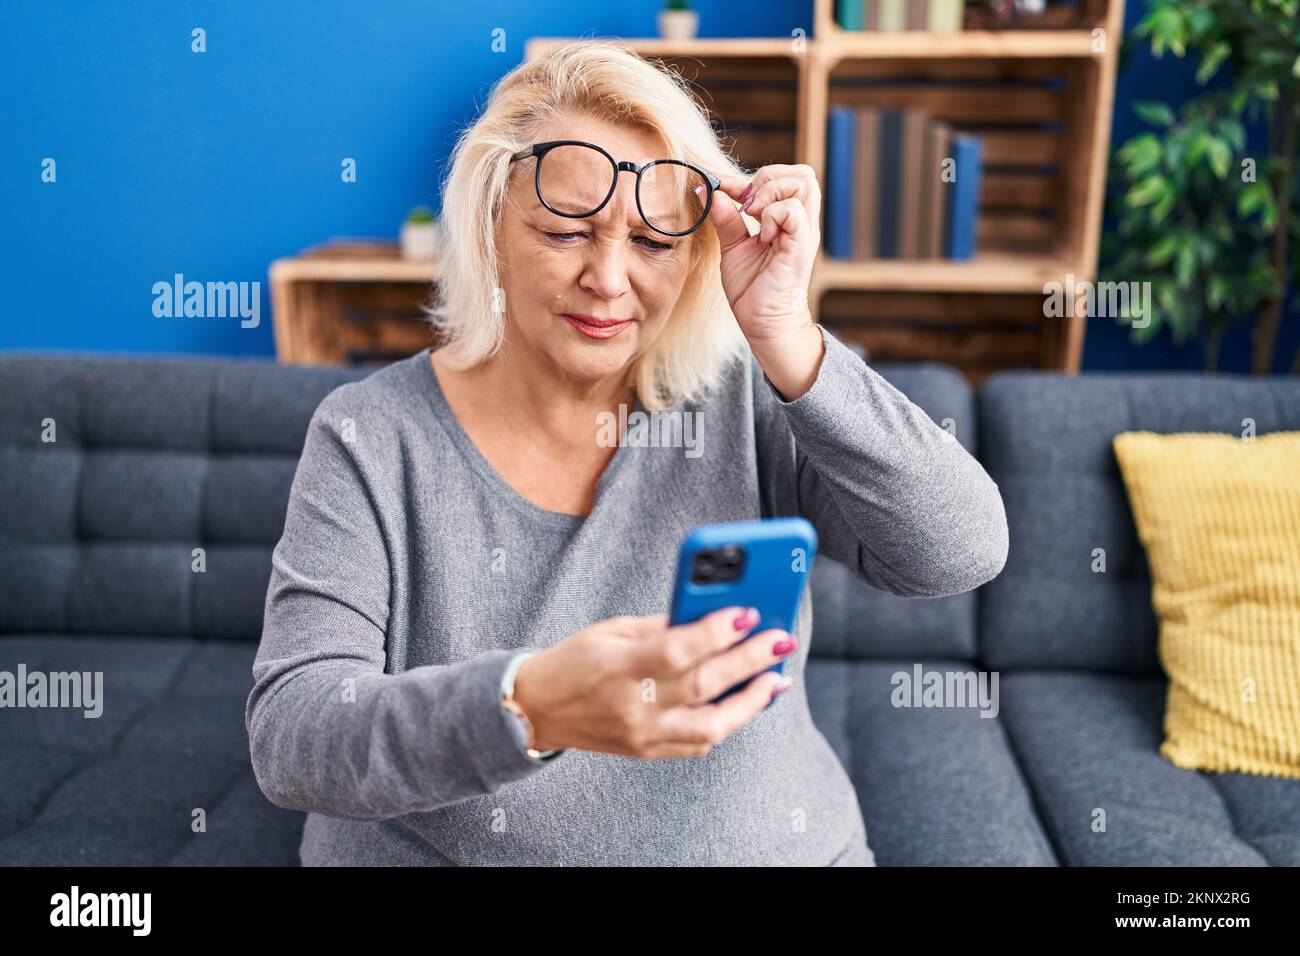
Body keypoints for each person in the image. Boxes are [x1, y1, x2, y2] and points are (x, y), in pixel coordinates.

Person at [245, 41, 1009, 866]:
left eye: (652, 243)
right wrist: (531, 705)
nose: (609, 279)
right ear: (491, 227)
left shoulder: (754, 397)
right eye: (566, 230)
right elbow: (293, 734)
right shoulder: (370, 434)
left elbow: (960, 552)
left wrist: (790, 338)